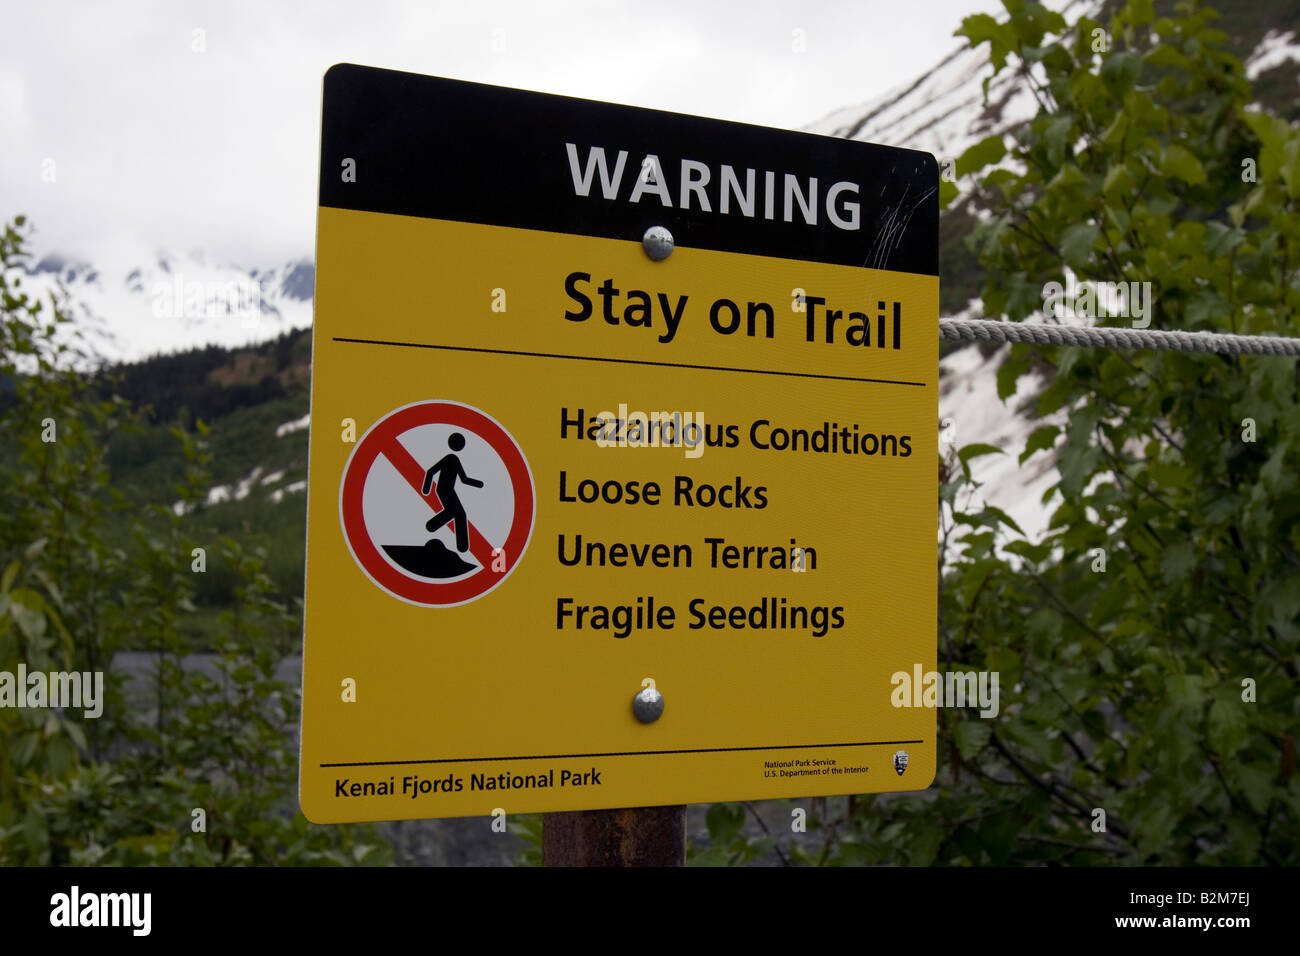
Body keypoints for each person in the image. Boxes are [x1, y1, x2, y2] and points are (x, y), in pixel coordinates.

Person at [421, 433, 483, 553]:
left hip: (448, 490)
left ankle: (432, 526)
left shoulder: (455, 459)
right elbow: (430, 471)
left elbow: (464, 479)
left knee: (455, 513)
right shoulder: (450, 458)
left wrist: (478, 483)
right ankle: (462, 545)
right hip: (444, 490)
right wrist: (426, 490)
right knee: (459, 513)